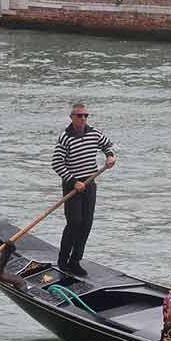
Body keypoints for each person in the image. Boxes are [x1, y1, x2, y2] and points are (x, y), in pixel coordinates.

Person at [51, 102, 116, 276]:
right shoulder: (65, 137)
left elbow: (107, 145)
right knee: (74, 223)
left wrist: (109, 157)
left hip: (89, 182)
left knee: (86, 223)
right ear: (72, 117)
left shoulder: (94, 133)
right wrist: (73, 181)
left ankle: (75, 261)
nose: (83, 118)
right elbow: (56, 163)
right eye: (79, 115)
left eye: (86, 115)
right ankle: (63, 261)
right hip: (73, 184)